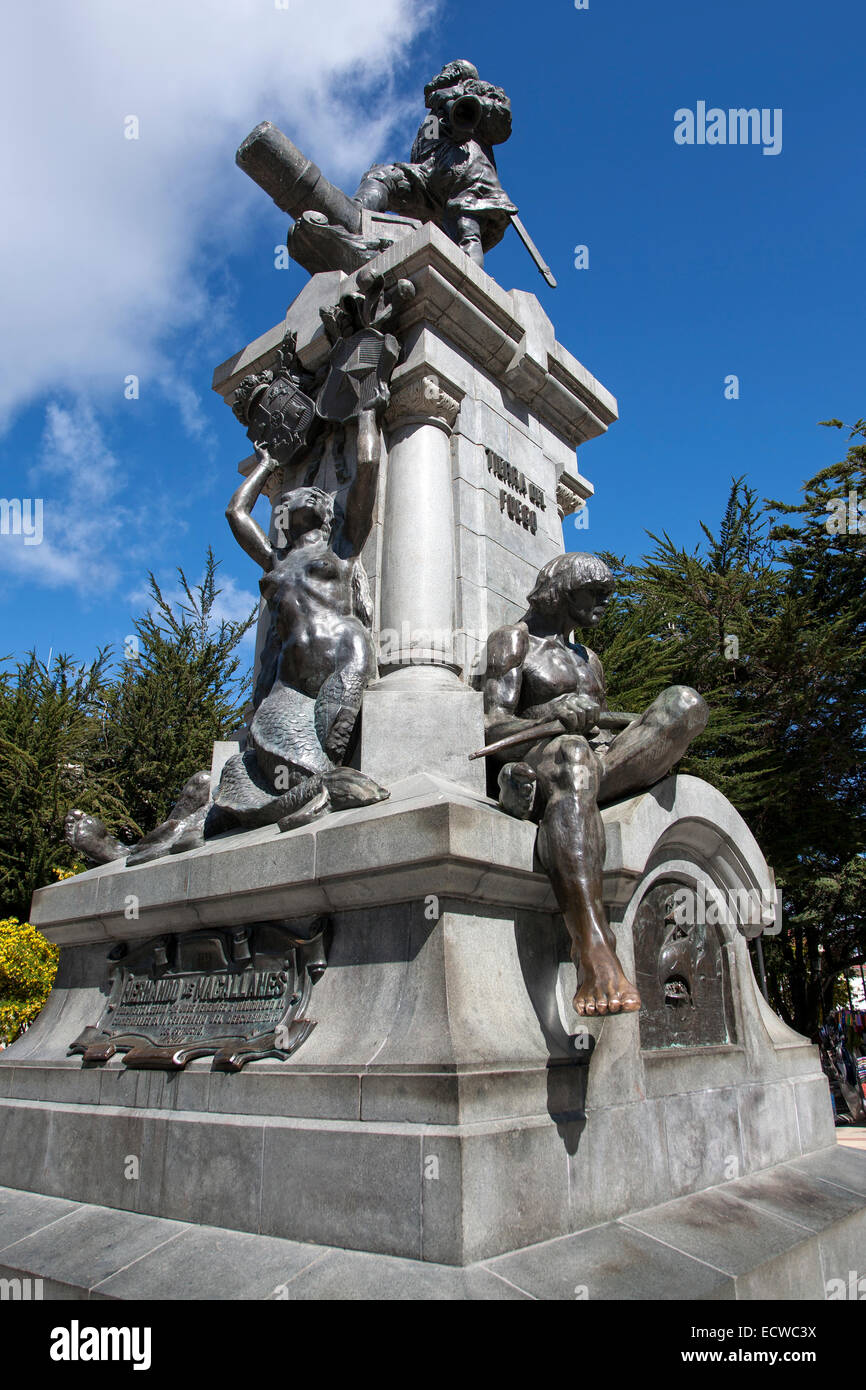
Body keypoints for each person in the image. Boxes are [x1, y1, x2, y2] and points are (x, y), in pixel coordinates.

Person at [482, 552, 709, 1018]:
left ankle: (551, 785)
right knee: (573, 754)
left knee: (684, 704)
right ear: (561, 590)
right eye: (596, 593)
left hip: (597, 761)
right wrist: (551, 713)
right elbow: (489, 729)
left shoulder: (590, 659)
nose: (605, 603)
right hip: (549, 756)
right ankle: (593, 948)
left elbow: (601, 730)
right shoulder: (512, 642)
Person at [210, 418, 386, 833]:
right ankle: (310, 796)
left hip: (344, 654)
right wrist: (266, 464)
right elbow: (236, 512)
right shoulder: (276, 560)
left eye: (307, 493)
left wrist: (367, 411)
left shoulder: (342, 547)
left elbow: (367, 468)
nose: (293, 498)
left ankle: (323, 791)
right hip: (287, 684)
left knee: (330, 749)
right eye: (287, 498)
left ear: (326, 511)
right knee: (289, 761)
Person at [353, 59, 517, 268]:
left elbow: (501, 122)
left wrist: (462, 98)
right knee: (381, 177)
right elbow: (427, 147)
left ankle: (471, 284)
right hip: (430, 174)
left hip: (466, 174)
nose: (441, 73)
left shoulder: (480, 89)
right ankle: (354, 219)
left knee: (465, 230)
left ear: (456, 71)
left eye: (447, 69)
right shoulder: (433, 114)